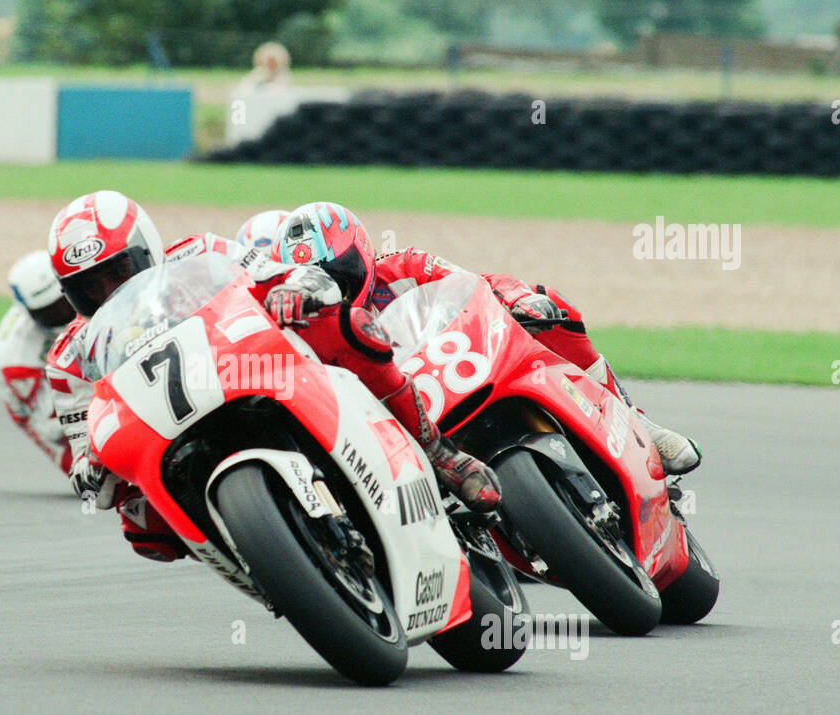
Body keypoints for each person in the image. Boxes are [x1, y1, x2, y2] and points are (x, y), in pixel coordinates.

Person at [44, 191, 502, 563]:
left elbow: (289, 275)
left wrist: (294, 290)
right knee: (146, 532)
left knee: (343, 323)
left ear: (146, 252)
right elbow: (88, 457)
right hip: (164, 432)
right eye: (90, 288)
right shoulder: (68, 359)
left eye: (119, 272)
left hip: (245, 375)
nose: (111, 292)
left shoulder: (200, 252)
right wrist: (90, 466)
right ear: (70, 295)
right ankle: (262, 554)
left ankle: (436, 450)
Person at [290, 218, 701, 475]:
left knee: (550, 304)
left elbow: (480, 285)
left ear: (361, 255)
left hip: (466, 363)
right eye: (323, 286)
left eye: (340, 274)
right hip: (415, 419)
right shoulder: (318, 337)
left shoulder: (406, 266)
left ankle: (634, 422)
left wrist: (519, 299)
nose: (338, 292)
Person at [0, 250, 75, 474]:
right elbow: (55, 424)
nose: (64, 315)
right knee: (89, 474)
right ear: (28, 312)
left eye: (65, 302)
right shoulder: (15, 355)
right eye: (50, 312)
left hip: (70, 363)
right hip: (33, 398)